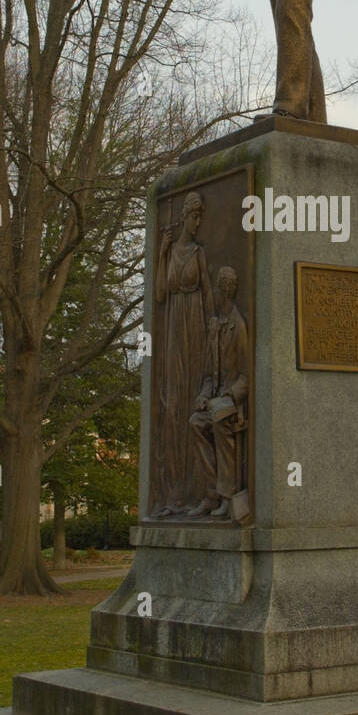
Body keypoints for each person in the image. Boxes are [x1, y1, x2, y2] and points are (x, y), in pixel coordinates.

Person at [154, 192, 214, 515]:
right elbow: (161, 294)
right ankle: (174, 492)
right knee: (174, 404)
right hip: (175, 327)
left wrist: (212, 330)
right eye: (194, 216)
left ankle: (198, 488)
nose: (198, 221)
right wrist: (162, 254)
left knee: (194, 397)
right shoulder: (171, 250)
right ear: (184, 217)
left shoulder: (199, 253)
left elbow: (206, 291)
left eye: (200, 216)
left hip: (196, 326)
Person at [186, 266, 250, 519]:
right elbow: (209, 375)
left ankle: (227, 495)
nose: (215, 291)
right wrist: (203, 396)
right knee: (195, 423)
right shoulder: (214, 325)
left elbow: (246, 376)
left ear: (225, 291)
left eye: (218, 287)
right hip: (214, 400)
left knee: (219, 421)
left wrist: (228, 397)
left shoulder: (239, 326)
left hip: (233, 402)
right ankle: (211, 493)